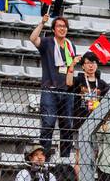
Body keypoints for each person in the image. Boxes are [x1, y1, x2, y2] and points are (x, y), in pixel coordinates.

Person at [30, 14, 77, 158]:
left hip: (67, 91)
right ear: (54, 29)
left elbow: (70, 68)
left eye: (64, 26)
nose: (62, 29)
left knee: (67, 127)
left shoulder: (70, 45)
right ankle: (44, 158)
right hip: (50, 89)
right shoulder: (48, 42)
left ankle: (64, 159)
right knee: (48, 124)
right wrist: (42, 23)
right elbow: (33, 39)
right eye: (59, 26)